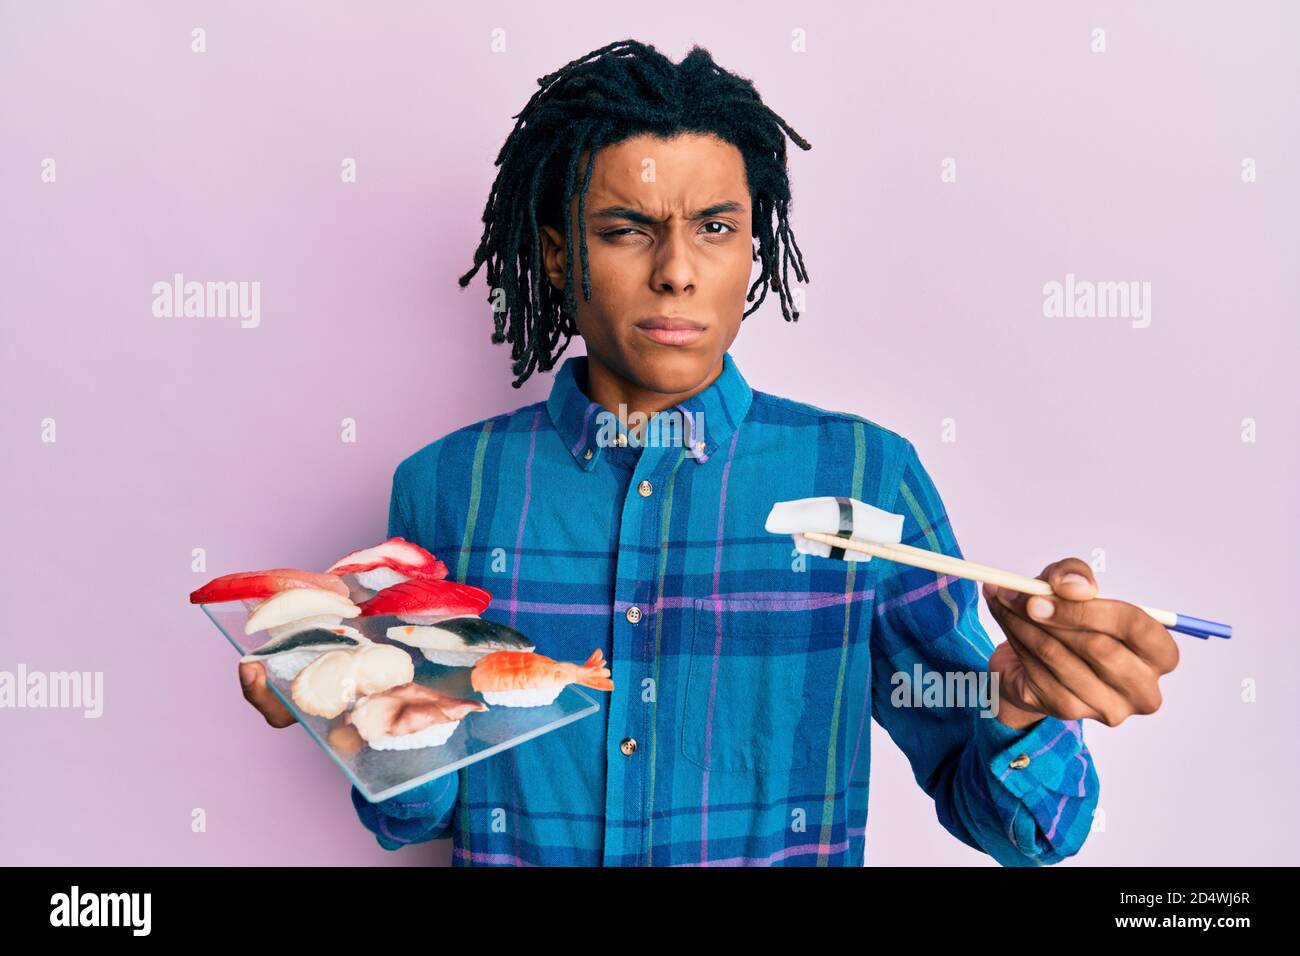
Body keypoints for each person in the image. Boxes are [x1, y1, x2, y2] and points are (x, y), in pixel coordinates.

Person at [239, 39, 1178, 867]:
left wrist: (1018, 703)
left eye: (716, 228)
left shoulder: (862, 477)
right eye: (626, 230)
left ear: (753, 251)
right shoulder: (449, 487)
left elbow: (1026, 832)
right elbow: (417, 819)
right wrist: (354, 711)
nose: (677, 269)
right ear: (563, 256)